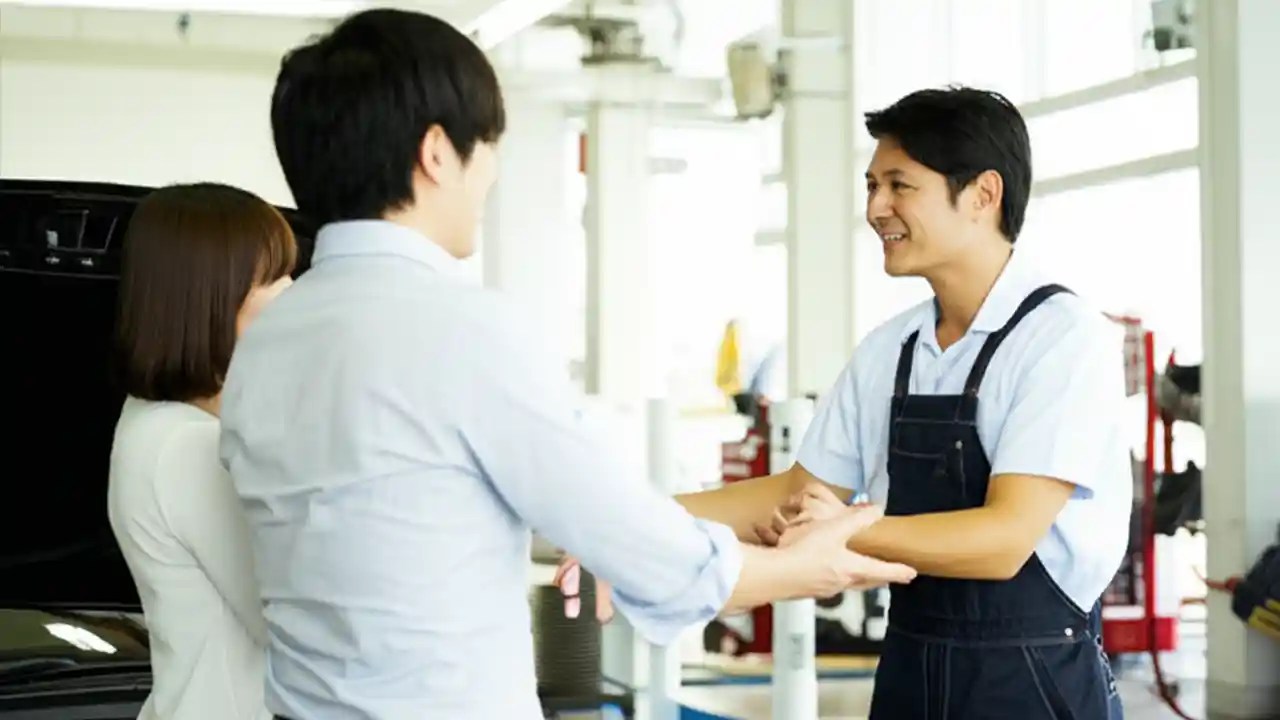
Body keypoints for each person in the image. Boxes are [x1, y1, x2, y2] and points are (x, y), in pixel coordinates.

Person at [215, 9, 916, 720]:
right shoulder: (461, 331)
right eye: (487, 146)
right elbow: (635, 540)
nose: (489, 172)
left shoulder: (263, 348)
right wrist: (809, 566)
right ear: (435, 153)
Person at [561, 86, 1132, 718]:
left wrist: (847, 529)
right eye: (870, 187)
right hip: (910, 675)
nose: (876, 208)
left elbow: (1003, 541)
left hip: (1033, 682)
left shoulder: (1060, 339)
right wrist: (625, 526)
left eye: (899, 184)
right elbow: (796, 497)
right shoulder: (893, 349)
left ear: (982, 195)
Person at [106, 183, 296, 720]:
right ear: (211, 296)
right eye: (272, 278)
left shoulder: (151, 419)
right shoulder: (189, 447)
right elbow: (297, 620)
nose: (292, 291)